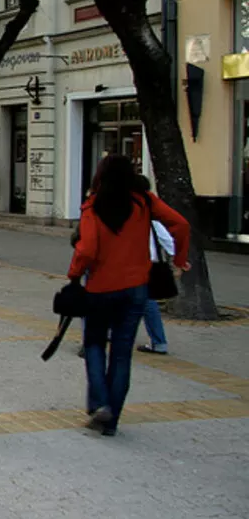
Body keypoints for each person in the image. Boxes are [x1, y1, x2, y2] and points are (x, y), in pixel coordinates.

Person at [69, 155, 190, 436]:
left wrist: (75, 274)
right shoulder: (144, 201)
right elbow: (181, 225)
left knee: (95, 344)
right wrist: (180, 259)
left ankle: (100, 403)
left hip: (100, 287)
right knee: (122, 355)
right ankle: (111, 423)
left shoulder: (93, 206)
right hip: (136, 289)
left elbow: (86, 250)